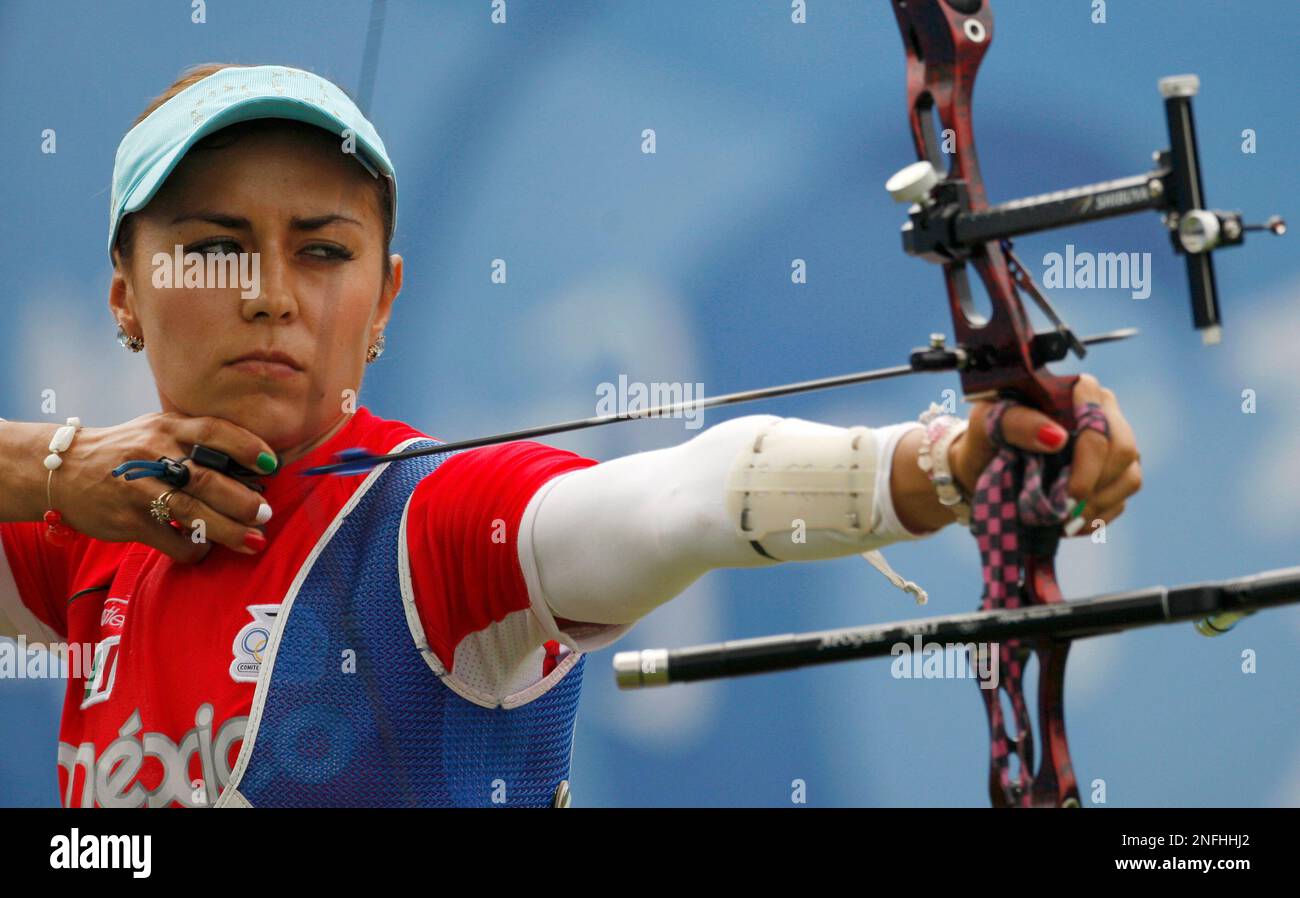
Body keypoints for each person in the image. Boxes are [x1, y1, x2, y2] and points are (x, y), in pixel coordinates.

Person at [0, 64, 1141, 808]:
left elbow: (690, 496)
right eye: (212, 246)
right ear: (124, 294)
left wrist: (948, 462)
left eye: (323, 249)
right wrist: (50, 468)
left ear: (385, 299)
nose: (269, 294)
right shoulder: (84, 537)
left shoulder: (430, 527)